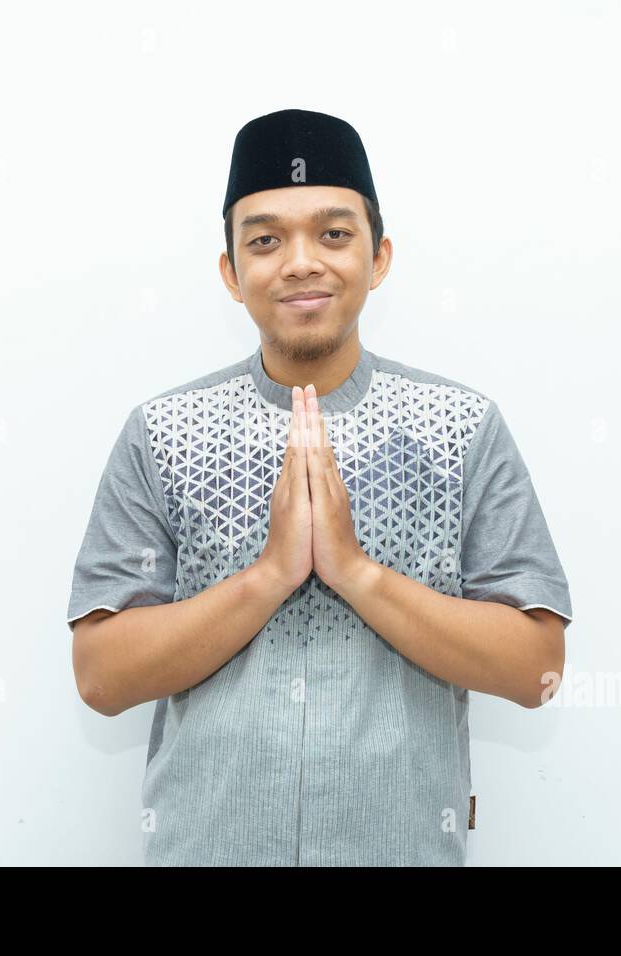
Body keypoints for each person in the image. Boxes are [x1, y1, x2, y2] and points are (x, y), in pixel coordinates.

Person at [66, 108, 573, 866]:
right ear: (231, 274)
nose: (301, 262)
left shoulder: (459, 427)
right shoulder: (164, 432)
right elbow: (101, 677)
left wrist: (357, 573)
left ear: (380, 257)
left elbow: (538, 669)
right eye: (265, 240)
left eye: (333, 234)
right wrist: (270, 576)